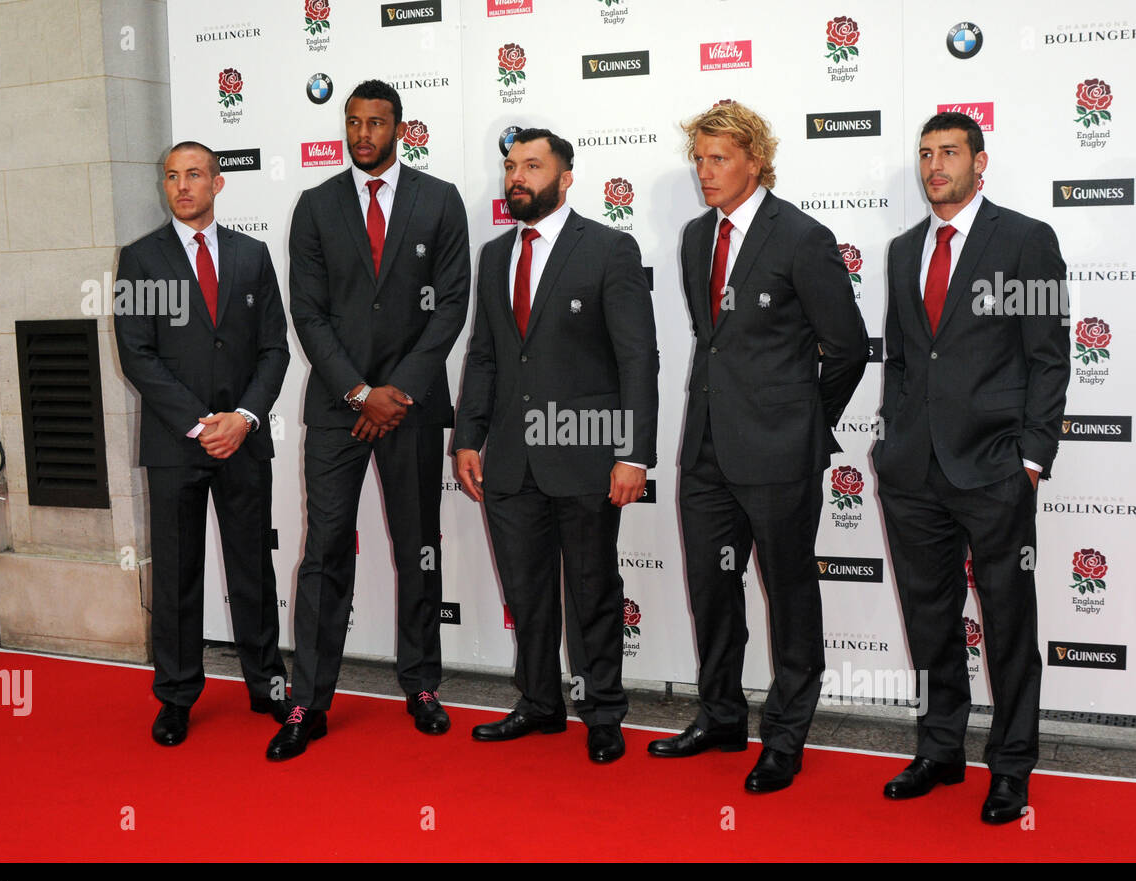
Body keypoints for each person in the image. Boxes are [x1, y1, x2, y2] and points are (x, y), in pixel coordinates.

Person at [651, 101, 868, 793]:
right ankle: (720, 715)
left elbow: (850, 349)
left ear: (755, 161)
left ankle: (785, 735)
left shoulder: (802, 237)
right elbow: (714, 343)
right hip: (708, 449)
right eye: (700, 158)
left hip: (780, 454)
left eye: (719, 159)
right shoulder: (693, 237)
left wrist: (805, 422)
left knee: (790, 594)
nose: (705, 171)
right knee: (711, 589)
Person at [873, 111, 1069, 823]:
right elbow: (901, 358)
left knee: (1009, 621)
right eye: (926, 153)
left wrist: (1031, 458)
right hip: (912, 471)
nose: (935, 166)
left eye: (950, 152)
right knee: (930, 621)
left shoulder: (1023, 239)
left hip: (994, 470)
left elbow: (1048, 355)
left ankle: (1012, 764)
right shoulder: (901, 251)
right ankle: (940, 746)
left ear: (979, 162)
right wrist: (893, 439)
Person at [269, 79, 471, 759]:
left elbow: (451, 306)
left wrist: (398, 391)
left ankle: (421, 684)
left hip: (409, 410)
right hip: (338, 409)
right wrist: (360, 393)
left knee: (418, 545)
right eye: (353, 123)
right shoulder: (316, 206)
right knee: (325, 549)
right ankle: (309, 699)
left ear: (401, 128)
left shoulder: (439, 200)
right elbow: (310, 312)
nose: (362, 135)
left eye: (376, 123)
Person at [452, 128, 658, 764]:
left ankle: (602, 712)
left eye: (532, 166)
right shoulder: (493, 256)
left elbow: (637, 360)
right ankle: (539, 703)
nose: (517, 176)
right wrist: (468, 436)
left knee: (593, 589)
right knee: (528, 591)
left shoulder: (609, 249)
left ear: (566, 177)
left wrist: (633, 454)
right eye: (511, 165)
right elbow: (484, 355)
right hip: (511, 458)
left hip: (587, 454)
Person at [114, 140, 290, 746]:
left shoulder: (253, 256)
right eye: (171, 176)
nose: (182, 185)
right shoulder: (139, 259)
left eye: (194, 175)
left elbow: (275, 348)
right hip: (175, 446)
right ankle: (177, 696)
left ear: (219, 183)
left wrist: (241, 417)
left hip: (242, 440)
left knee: (251, 568)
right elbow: (135, 354)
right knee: (178, 576)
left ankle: (267, 682)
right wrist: (199, 423)